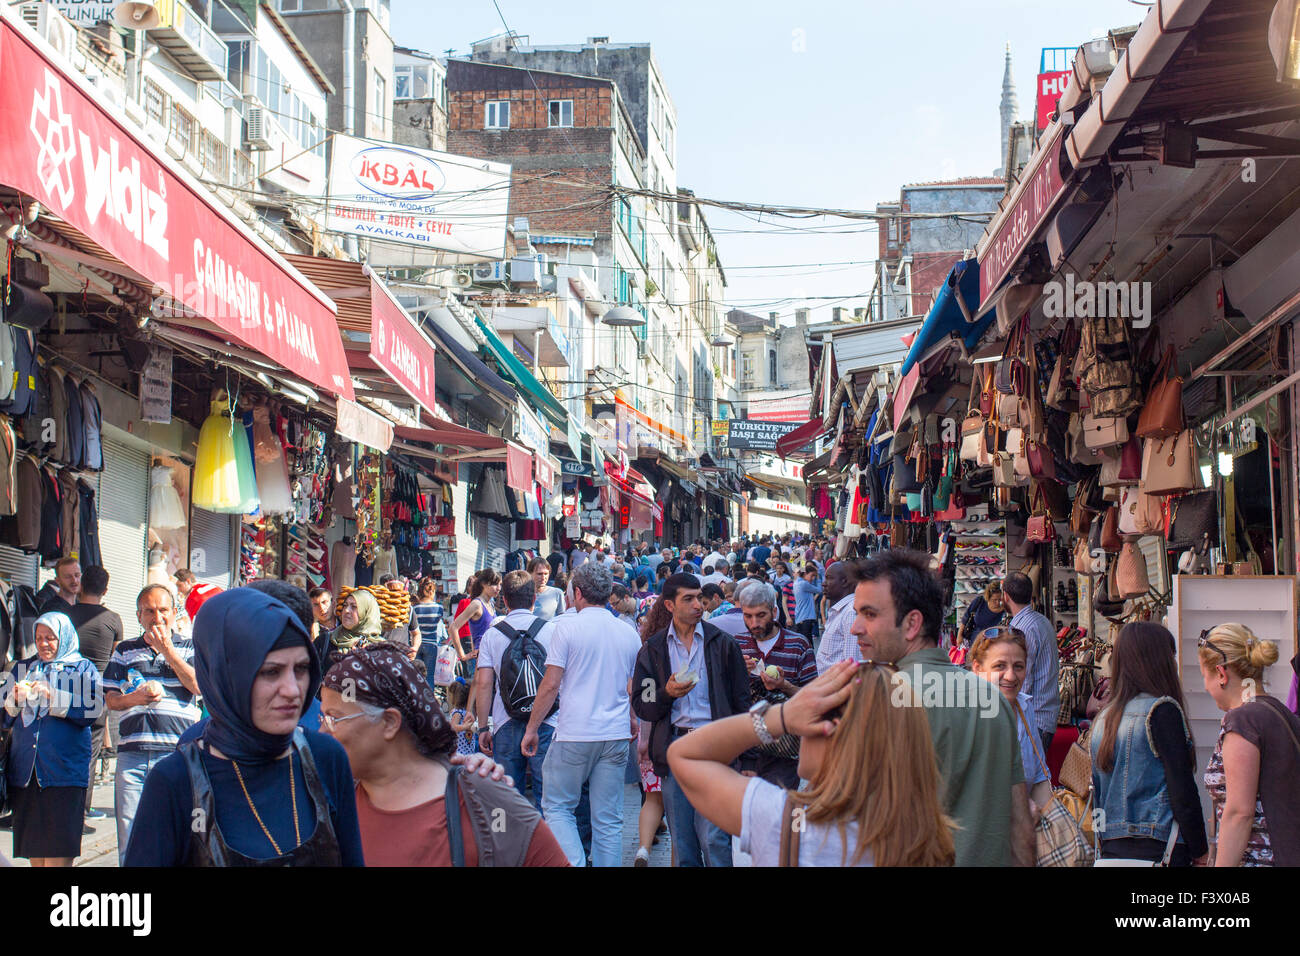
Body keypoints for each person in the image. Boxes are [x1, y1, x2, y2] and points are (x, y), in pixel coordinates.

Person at [123, 588, 364, 866]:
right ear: (225, 675)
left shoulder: (326, 757)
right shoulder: (175, 781)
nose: (291, 690)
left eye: (300, 669)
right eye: (271, 672)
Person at [667, 660, 954, 866]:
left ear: (831, 732)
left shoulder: (785, 821)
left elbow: (684, 755)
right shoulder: (927, 837)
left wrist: (781, 716)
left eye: (808, 719)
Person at [851, 550, 1032, 866]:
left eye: (868, 614)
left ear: (911, 624)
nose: (854, 627)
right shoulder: (995, 701)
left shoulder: (880, 699)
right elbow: (1019, 821)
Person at [318, 641, 569, 866]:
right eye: (323, 717)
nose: (322, 732)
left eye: (334, 718)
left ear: (389, 723)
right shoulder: (331, 798)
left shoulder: (481, 799)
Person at [519, 562, 640, 867]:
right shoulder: (628, 633)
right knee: (609, 819)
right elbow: (631, 687)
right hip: (614, 735)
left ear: (577, 593)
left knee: (558, 807)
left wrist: (532, 728)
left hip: (574, 732)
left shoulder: (565, 627)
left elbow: (550, 685)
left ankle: (571, 862)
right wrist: (633, 720)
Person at [632, 571, 750, 867]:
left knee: (714, 837)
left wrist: (747, 760)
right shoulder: (654, 649)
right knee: (683, 841)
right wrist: (667, 692)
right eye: (689, 599)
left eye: (700, 597)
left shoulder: (723, 644)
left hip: (715, 747)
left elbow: (742, 703)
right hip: (675, 749)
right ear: (670, 605)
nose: (698, 604)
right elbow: (643, 705)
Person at [1089, 622, 1208, 866]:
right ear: (1158, 660)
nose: (1174, 663)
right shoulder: (1161, 711)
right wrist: (1200, 850)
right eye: (1171, 655)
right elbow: (1182, 791)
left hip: (1112, 849)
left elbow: (1098, 792)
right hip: (1161, 846)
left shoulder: (1103, 718)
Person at [103, 584, 201, 865]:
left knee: (179, 830)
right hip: (133, 756)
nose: (157, 617)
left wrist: (167, 650)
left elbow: (197, 686)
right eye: (149, 611)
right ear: (139, 615)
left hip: (177, 755)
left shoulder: (189, 646)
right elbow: (111, 700)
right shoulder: (125, 650)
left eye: (163, 610)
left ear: (174, 613)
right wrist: (136, 698)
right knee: (130, 833)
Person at [2, 612, 103, 865]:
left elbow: (92, 711)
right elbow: (4, 719)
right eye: (39, 638)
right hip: (26, 774)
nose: (44, 644)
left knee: (58, 853)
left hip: (63, 774)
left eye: (51, 638)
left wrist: (52, 695)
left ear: (65, 637)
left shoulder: (82, 668)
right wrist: (13, 699)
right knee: (35, 854)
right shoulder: (23, 668)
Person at [1200, 623, 1300, 866]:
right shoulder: (1280, 713)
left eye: (1205, 677)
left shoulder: (1242, 720)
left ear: (1221, 674)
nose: (1205, 687)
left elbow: (1239, 813)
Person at [474, 570, 558, 809]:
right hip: (547, 720)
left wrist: (483, 727)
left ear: (505, 601)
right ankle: (547, 844)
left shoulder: (492, 635)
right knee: (548, 798)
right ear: (534, 598)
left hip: (505, 721)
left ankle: (514, 845)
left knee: (508, 798)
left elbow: (484, 683)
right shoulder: (552, 631)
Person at [730, 579, 817, 789]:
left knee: (779, 814)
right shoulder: (736, 645)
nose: (754, 623)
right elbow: (725, 696)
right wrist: (736, 673)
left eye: (761, 615)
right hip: (746, 750)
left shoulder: (798, 645)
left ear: (775, 612)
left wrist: (784, 685)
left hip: (785, 751)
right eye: (747, 616)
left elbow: (813, 698)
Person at [968, 627, 1052, 814]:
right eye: (1000, 666)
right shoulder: (966, 717)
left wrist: (1050, 816)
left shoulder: (1024, 707)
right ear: (977, 669)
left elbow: (1039, 776)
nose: (1011, 676)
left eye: (1018, 666)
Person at [66, 565, 122, 819]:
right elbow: (116, 657)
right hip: (97, 687)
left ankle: (63, 803)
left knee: (65, 745)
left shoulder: (67, 614)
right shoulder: (113, 619)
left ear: (81, 587)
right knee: (90, 749)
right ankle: (82, 808)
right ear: (105, 590)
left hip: (66, 685)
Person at [1001, 572, 1060, 757]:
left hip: (1032, 720)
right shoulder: (1041, 621)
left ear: (1006, 596)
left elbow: (1022, 680)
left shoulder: (1022, 629)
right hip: (1042, 716)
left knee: (1025, 781)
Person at [451, 568, 502, 681]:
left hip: (489, 655)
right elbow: (453, 627)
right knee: (477, 687)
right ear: (484, 584)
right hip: (481, 657)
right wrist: (462, 655)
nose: (498, 588)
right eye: (495, 584)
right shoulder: (476, 604)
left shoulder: (490, 604)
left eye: (500, 584)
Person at [814, 561, 861, 674]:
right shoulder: (841, 611)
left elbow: (852, 665)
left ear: (844, 582)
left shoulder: (850, 613)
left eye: (829, 578)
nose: (824, 584)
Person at [327, 590, 383, 667]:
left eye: (354, 607)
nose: (346, 610)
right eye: (345, 605)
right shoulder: (325, 641)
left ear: (366, 612)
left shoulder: (381, 649)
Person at [378, 575, 420, 660]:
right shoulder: (375, 609)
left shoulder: (407, 608)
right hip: (380, 657)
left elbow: (416, 633)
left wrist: (415, 648)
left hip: (402, 657)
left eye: (394, 589)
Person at [412, 577, 445, 676]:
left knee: (416, 675)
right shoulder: (439, 608)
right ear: (433, 591)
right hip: (431, 645)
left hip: (417, 644)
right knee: (429, 676)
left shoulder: (415, 608)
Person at [959, 581, 1009, 646]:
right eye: (994, 600)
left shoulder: (1006, 608)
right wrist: (959, 636)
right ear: (988, 598)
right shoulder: (979, 601)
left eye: (1000, 600)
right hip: (976, 643)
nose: (997, 602)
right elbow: (965, 619)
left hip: (996, 645)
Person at [445, 678, 477, 755]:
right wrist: (464, 727)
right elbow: (453, 727)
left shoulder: (466, 712)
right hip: (459, 750)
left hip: (466, 748)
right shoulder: (458, 713)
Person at [530, 557, 566, 621]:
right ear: (530, 573)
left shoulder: (557, 593)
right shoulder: (522, 594)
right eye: (539, 574)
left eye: (546, 574)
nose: (543, 577)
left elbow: (562, 619)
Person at [793, 565, 822, 643]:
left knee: (804, 643)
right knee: (808, 644)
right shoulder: (803, 584)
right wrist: (818, 578)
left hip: (800, 617)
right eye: (812, 575)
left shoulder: (797, 582)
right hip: (806, 617)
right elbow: (819, 590)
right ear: (805, 573)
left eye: (814, 576)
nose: (813, 578)